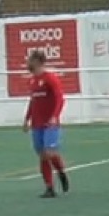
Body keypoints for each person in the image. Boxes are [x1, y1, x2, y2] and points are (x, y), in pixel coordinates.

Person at [23, 50, 69, 198]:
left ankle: (61, 171)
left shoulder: (50, 78)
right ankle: (49, 187)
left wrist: (55, 116)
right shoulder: (32, 81)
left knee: (50, 153)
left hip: (50, 123)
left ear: (37, 62)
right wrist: (27, 119)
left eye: (30, 60)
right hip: (37, 124)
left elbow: (60, 99)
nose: (27, 63)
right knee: (42, 155)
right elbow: (33, 101)